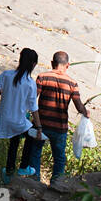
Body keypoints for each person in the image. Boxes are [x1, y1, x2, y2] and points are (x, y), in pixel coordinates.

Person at [32, 51, 91, 191]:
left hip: (42, 124)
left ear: (52, 63)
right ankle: (56, 182)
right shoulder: (72, 83)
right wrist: (85, 111)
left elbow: (32, 98)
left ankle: (34, 181)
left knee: (35, 152)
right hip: (60, 127)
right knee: (59, 157)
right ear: (67, 65)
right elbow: (78, 105)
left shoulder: (42, 77)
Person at [0, 48, 43, 184]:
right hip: (18, 120)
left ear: (20, 60)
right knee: (31, 135)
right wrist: (39, 126)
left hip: (4, 119)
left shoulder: (6, 75)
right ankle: (23, 167)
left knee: (14, 142)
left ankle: (8, 172)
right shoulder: (30, 83)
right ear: (33, 64)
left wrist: (1, 90)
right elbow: (33, 107)